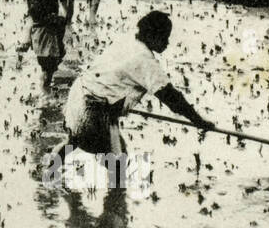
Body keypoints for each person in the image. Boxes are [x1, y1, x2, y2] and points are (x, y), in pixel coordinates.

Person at [51, 11, 214, 184]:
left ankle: (50, 177)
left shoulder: (128, 42)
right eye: (164, 38)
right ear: (151, 35)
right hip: (93, 107)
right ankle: (114, 207)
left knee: (75, 142)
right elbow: (171, 97)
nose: (167, 43)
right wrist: (198, 120)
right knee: (118, 168)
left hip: (79, 94)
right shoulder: (144, 59)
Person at [23, 0, 66, 89]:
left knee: (53, 60)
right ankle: (44, 91)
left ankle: (45, 87)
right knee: (47, 63)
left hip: (49, 28)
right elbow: (36, 12)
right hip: (43, 29)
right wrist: (53, 19)